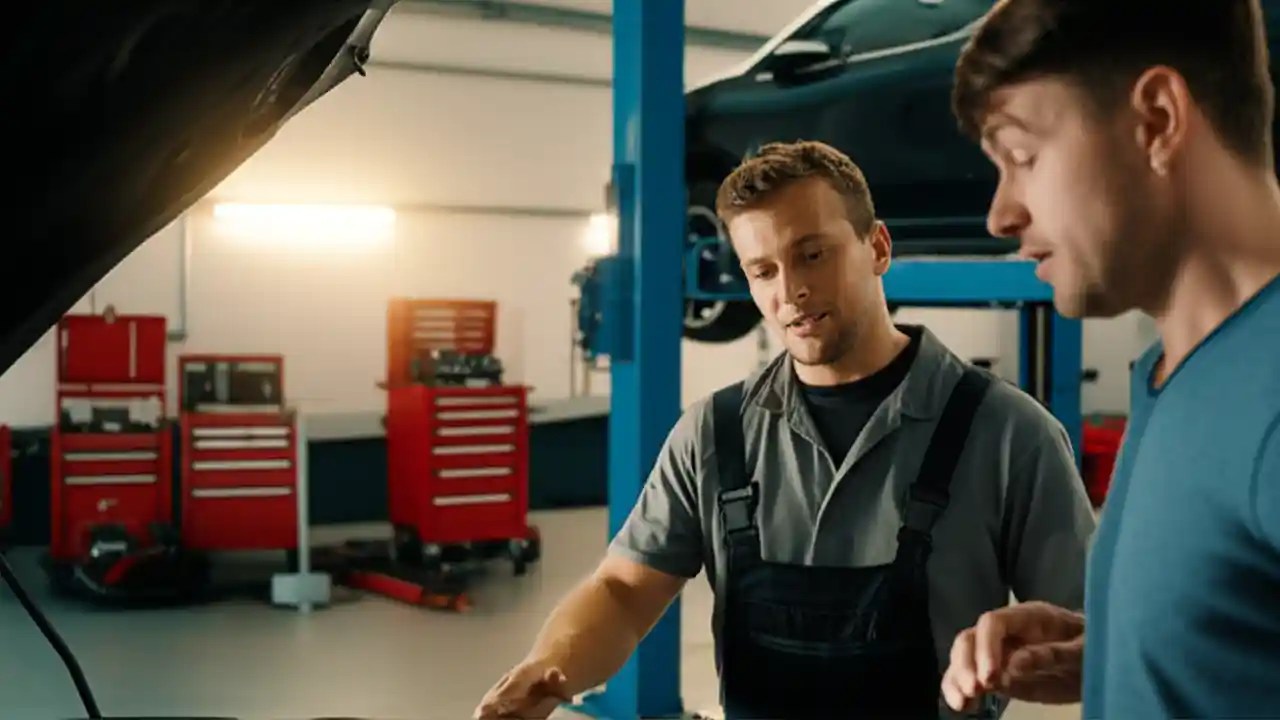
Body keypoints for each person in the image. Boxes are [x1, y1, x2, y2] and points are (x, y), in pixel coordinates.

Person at [474, 140, 1096, 720]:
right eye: (762, 270)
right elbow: (624, 588)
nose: (791, 290)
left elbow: (1091, 634)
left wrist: (1042, 663)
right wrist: (551, 668)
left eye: (813, 254)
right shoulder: (713, 435)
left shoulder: (1010, 434)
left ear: (878, 247)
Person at [940, 1, 1280, 718]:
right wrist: (1116, 654)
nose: (1001, 214)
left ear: (1156, 120)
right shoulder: (1172, 371)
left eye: (1023, 158)